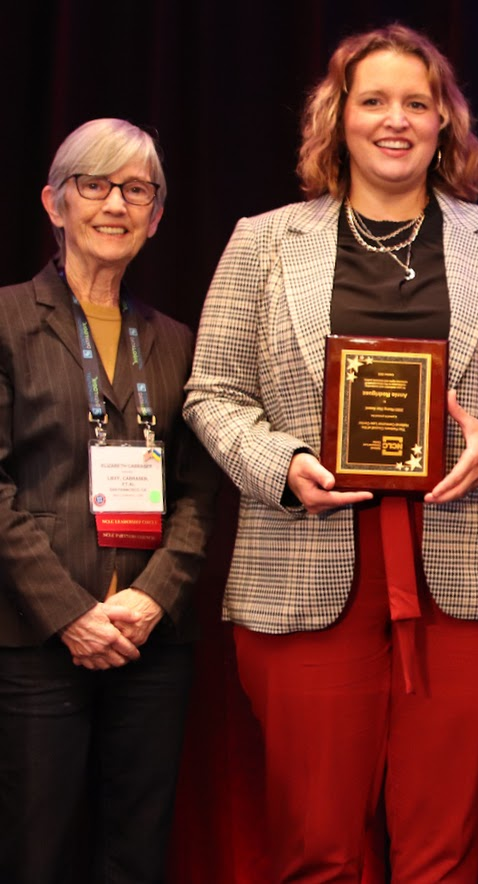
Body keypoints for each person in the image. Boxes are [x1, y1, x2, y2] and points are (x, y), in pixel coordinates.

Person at [183, 24, 478, 883]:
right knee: (314, 846)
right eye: (374, 101)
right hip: (303, 562)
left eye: (416, 104)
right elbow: (212, 389)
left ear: (444, 126)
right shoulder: (263, 239)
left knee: (444, 849)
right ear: (337, 119)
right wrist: (280, 466)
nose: (395, 120)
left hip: (470, 569)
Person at [0, 118, 218, 882]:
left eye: (136, 190)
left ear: (156, 217)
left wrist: (154, 598)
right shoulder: (4, 322)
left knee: (137, 852)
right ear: (54, 204)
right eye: (93, 185)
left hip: (152, 640)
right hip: (33, 640)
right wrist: (69, 613)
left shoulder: (179, 341)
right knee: (36, 852)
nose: (114, 204)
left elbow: (198, 490)